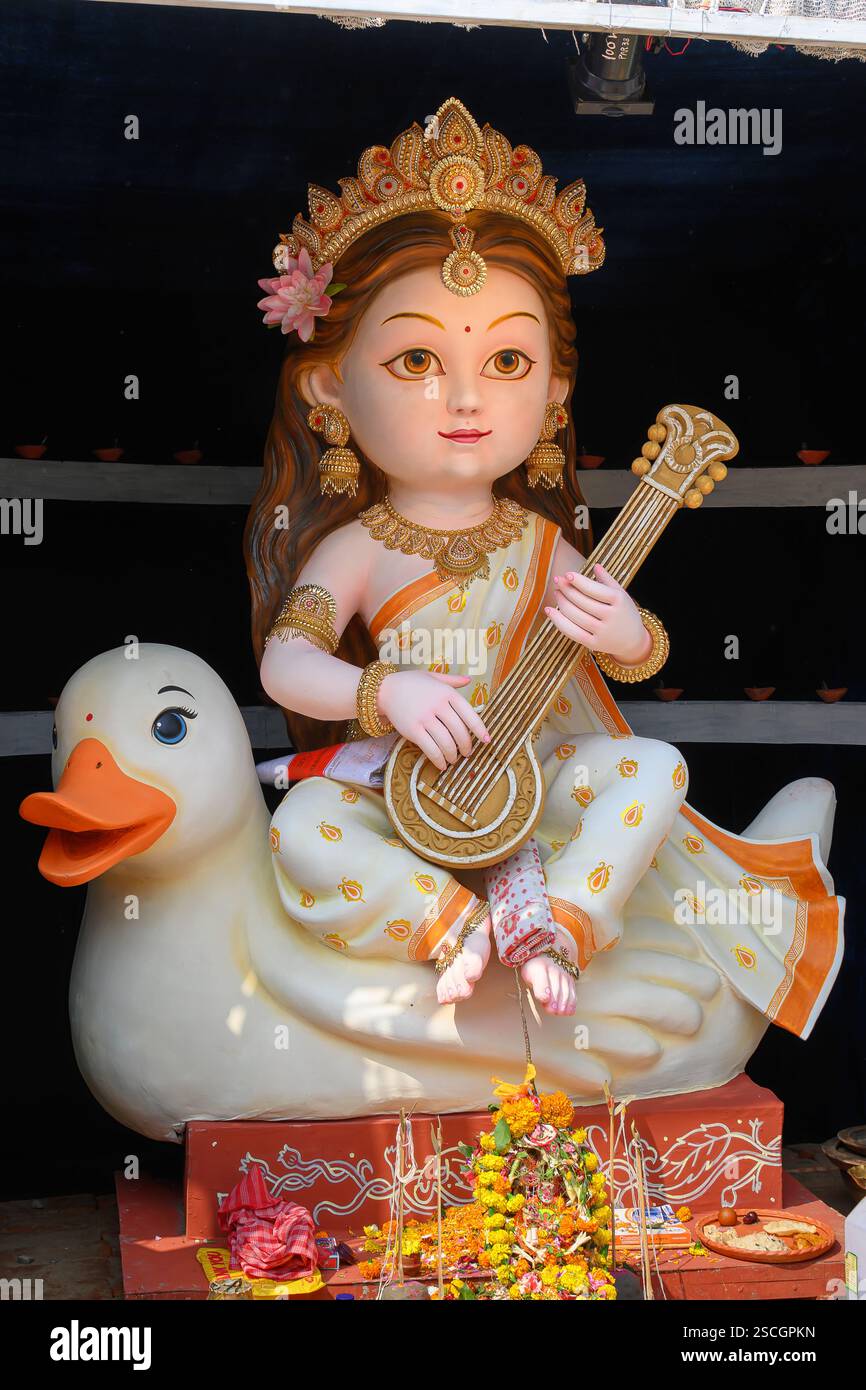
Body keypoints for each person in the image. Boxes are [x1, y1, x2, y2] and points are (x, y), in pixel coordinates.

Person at [246, 99, 840, 1040]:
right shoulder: (357, 546)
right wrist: (385, 692)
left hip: (536, 782)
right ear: (328, 386)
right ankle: (456, 930)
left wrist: (626, 633)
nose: (469, 397)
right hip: (408, 787)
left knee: (652, 767)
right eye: (416, 360)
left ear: (555, 389)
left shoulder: (536, 537)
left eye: (509, 359)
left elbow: (634, 654)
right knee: (301, 828)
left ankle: (557, 922)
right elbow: (287, 661)